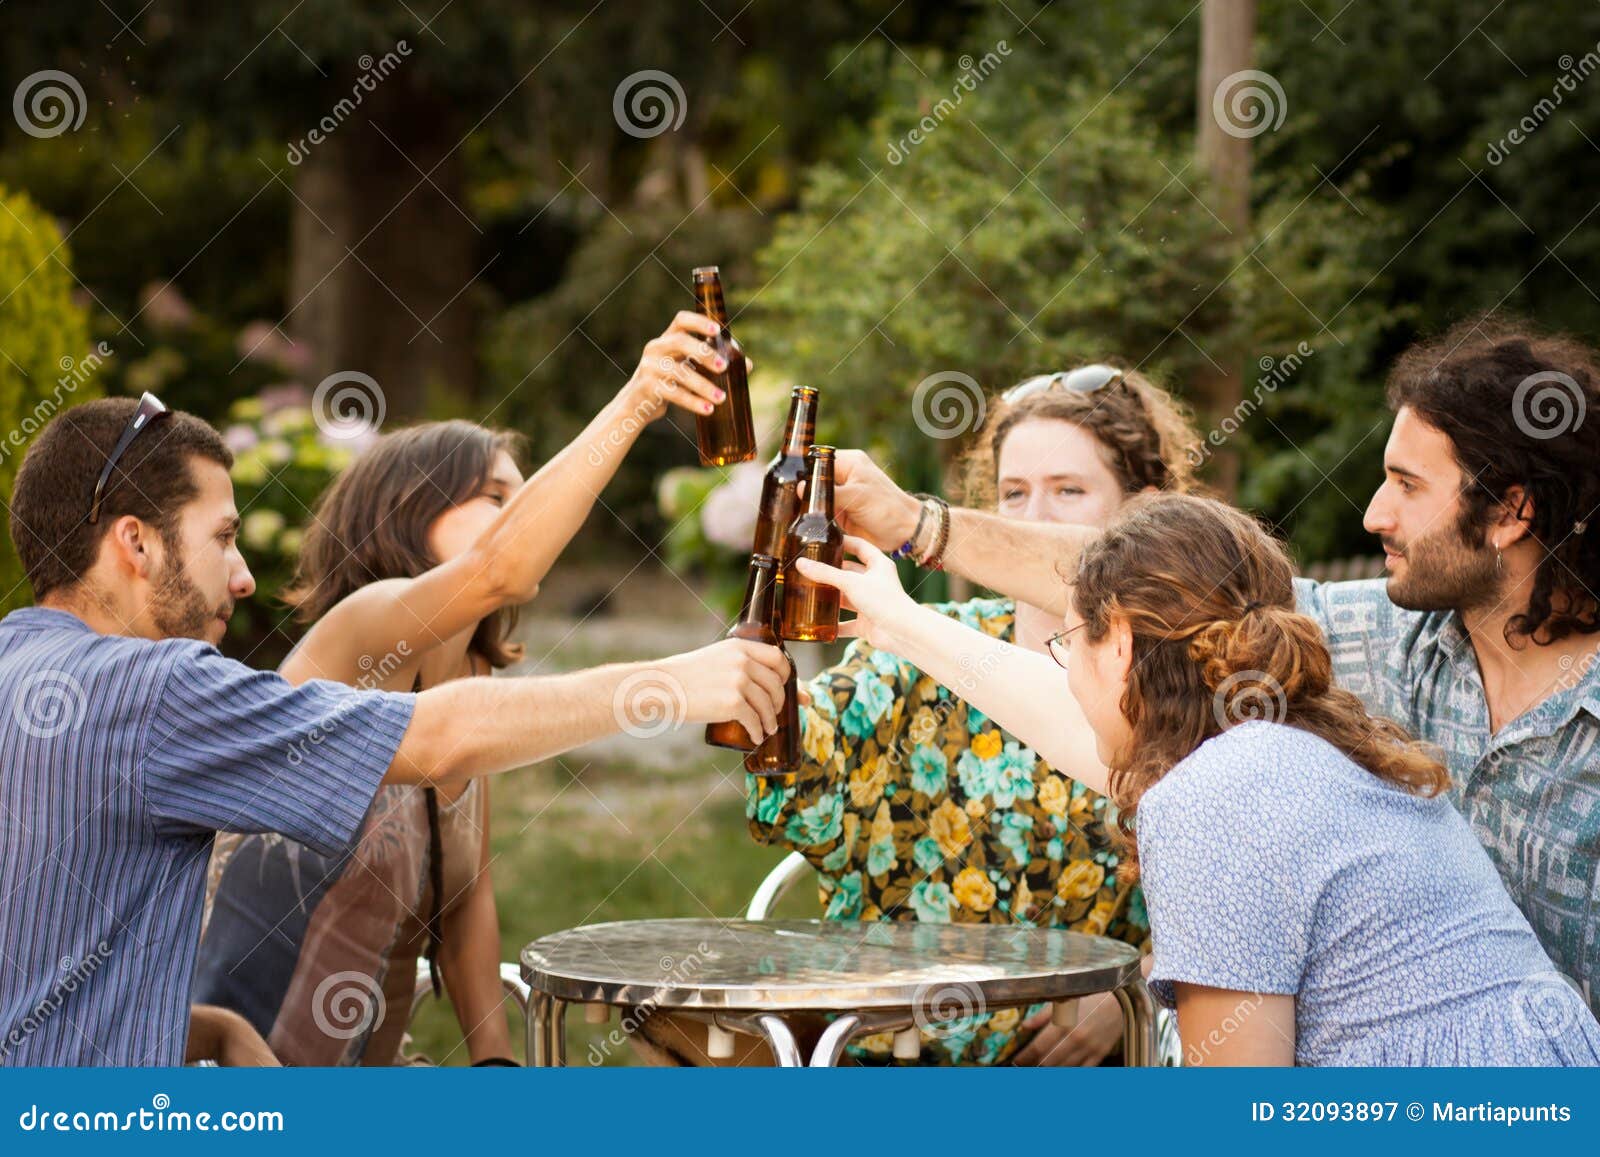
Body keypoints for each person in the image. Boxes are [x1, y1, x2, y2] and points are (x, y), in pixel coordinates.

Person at [819, 319, 1600, 1020]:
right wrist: (915, 529)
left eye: (1408, 485)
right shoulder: (1390, 637)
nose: (1373, 514)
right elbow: (1156, 586)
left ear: (1510, 512)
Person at [0, 394, 788, 1066]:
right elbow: (441, 733)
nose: (242, 576)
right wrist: (670, 684)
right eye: (224, 537)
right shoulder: (157, 689)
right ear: (135, 542)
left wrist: (218, 1032)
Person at [795, 496, 1600, 1065]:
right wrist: (899, 621)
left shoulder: (1211, 797)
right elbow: (1073, 723)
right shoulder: (1293, 743)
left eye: (1069, 642)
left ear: (1119, 642)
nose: (1065, 670)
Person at [195, 314, 737, 1065]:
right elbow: (500, 566)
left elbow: (464, 900)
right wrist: (638, 402)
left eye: (526, 494)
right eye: (494, 495)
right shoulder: (360, 634)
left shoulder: (470, 678)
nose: (524, 513)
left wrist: (495, 1065)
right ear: (408, 511)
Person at [634, 365, 1196, 1067]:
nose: (1033, 518)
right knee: (661, 1016)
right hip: (893, 1050)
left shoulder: (1178, 681)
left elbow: (1239, 891)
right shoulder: (925, 639)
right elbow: (811, 760)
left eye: (1068, 491)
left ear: (1143, 514)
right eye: (1013, 493)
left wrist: (1137, 990)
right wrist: (764, 688)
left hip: (1083, 1073)